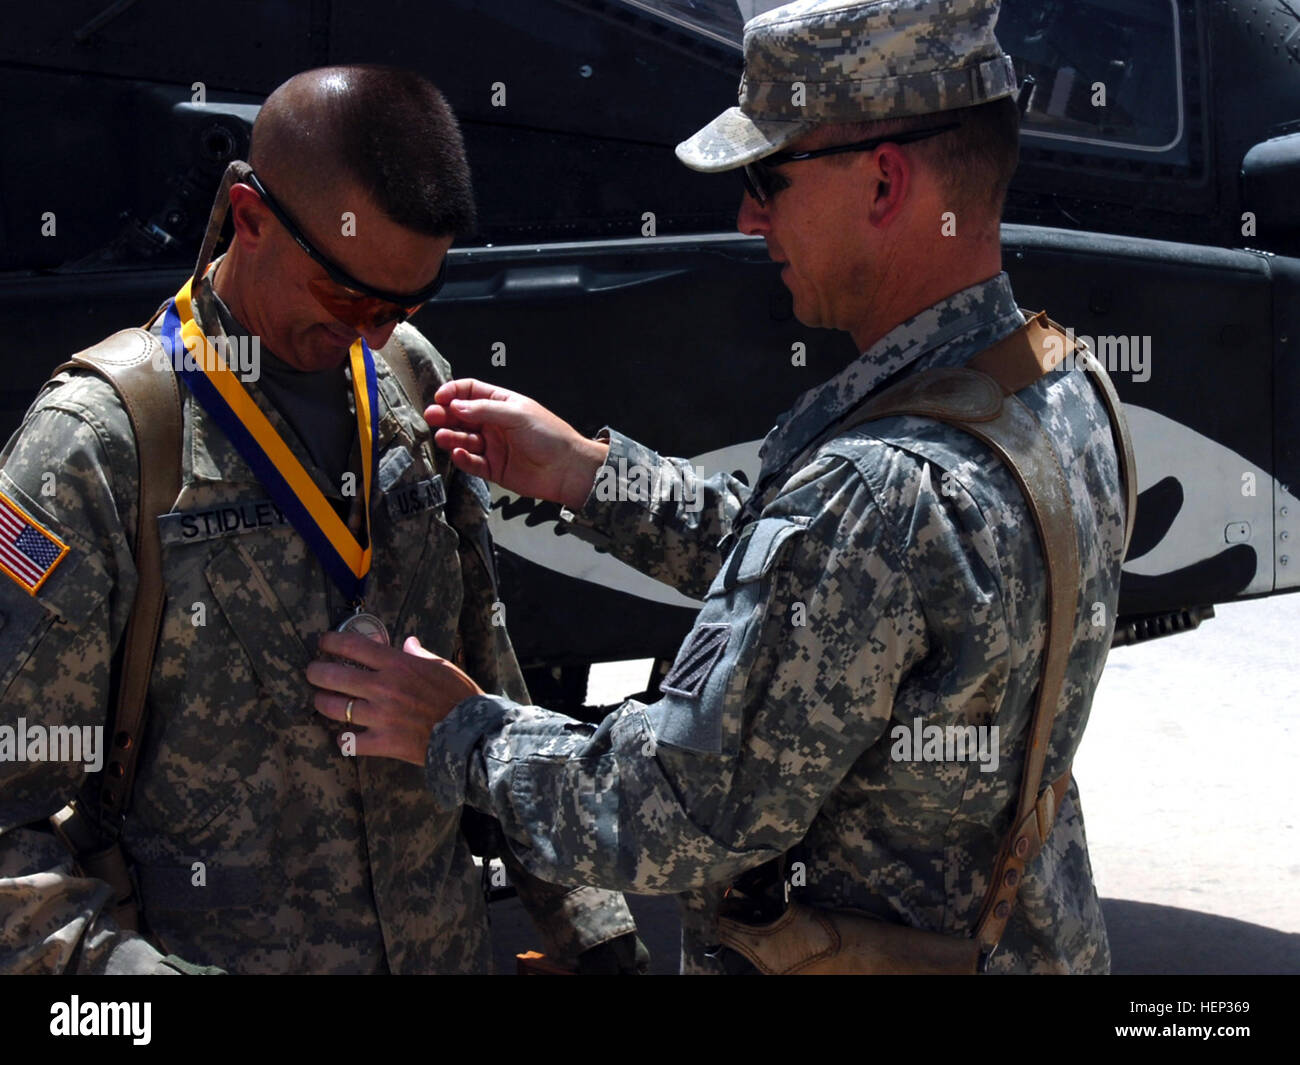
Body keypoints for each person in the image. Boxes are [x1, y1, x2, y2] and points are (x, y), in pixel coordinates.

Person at [308, 0, 1133, 974]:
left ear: (883, 180)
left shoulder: (876, 490)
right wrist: (591, 476)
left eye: (766, 176)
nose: (748, 217)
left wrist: (456, 729)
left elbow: (672, 813)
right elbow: (833, 605)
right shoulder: (1054, 379)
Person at [0, 65, 639, 974]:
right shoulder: (101, 445)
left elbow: (488, 681)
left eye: (405, 302)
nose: (373, 334)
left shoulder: (408, 380)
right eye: (349, 297)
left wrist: (597, 929)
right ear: (250, 217)